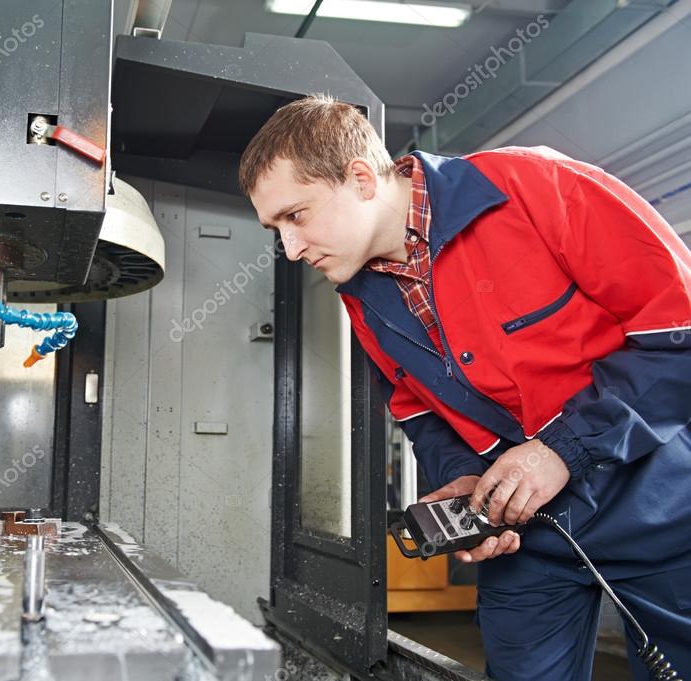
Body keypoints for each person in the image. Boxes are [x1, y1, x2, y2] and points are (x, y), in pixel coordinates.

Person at [238, 94, 691, 680]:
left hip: (665, 513)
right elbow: (419, 411)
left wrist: (564, 450)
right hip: (528, 542)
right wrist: (461, 479)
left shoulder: (537, 187)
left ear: (359, 179)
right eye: (275, 229)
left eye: (296, 216)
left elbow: (679, 336)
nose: (291, 249)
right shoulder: (361, 297)